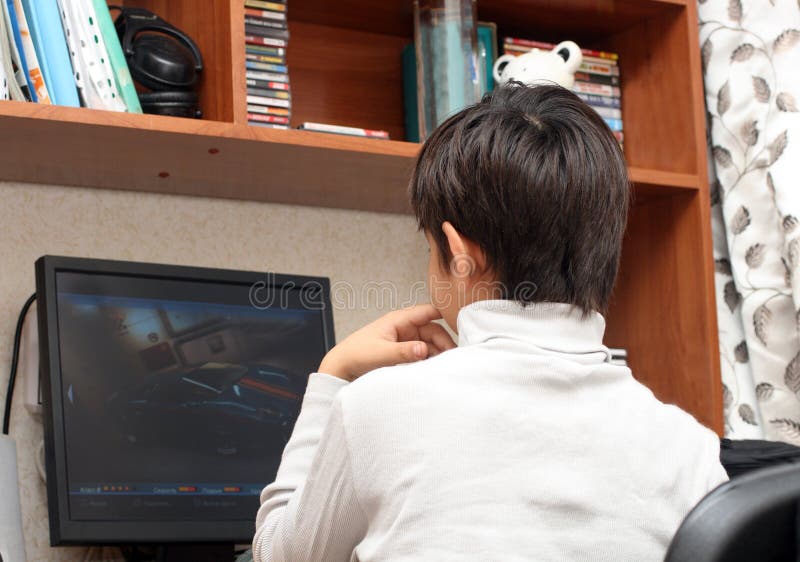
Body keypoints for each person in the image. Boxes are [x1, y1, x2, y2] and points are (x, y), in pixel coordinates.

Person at [252, 84, 728, 562]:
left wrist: (334, 374)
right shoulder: (693, 454)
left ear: (459, 255)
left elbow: (278, 554)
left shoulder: (375, 409)